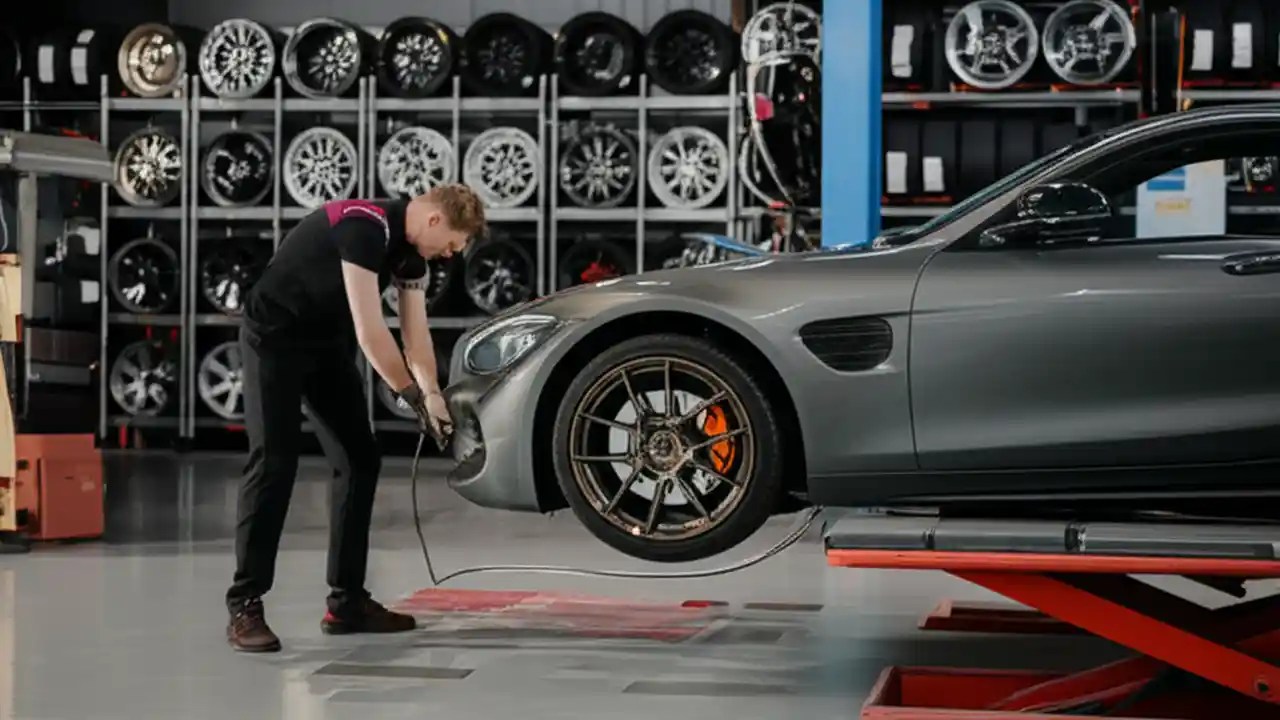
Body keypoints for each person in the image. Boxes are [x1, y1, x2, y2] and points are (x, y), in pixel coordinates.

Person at [224, 184, 487, 653]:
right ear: (432, 220)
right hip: (275, 337)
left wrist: (432, 394)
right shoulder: (364, 226)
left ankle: (346, 603)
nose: (448, 255)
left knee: (360, 458)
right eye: (449, 244)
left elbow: (414, 335)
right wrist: (411, 394)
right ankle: (245, 604)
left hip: (324, 345)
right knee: (274, 463)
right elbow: (370, 332)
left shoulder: (411, 257)